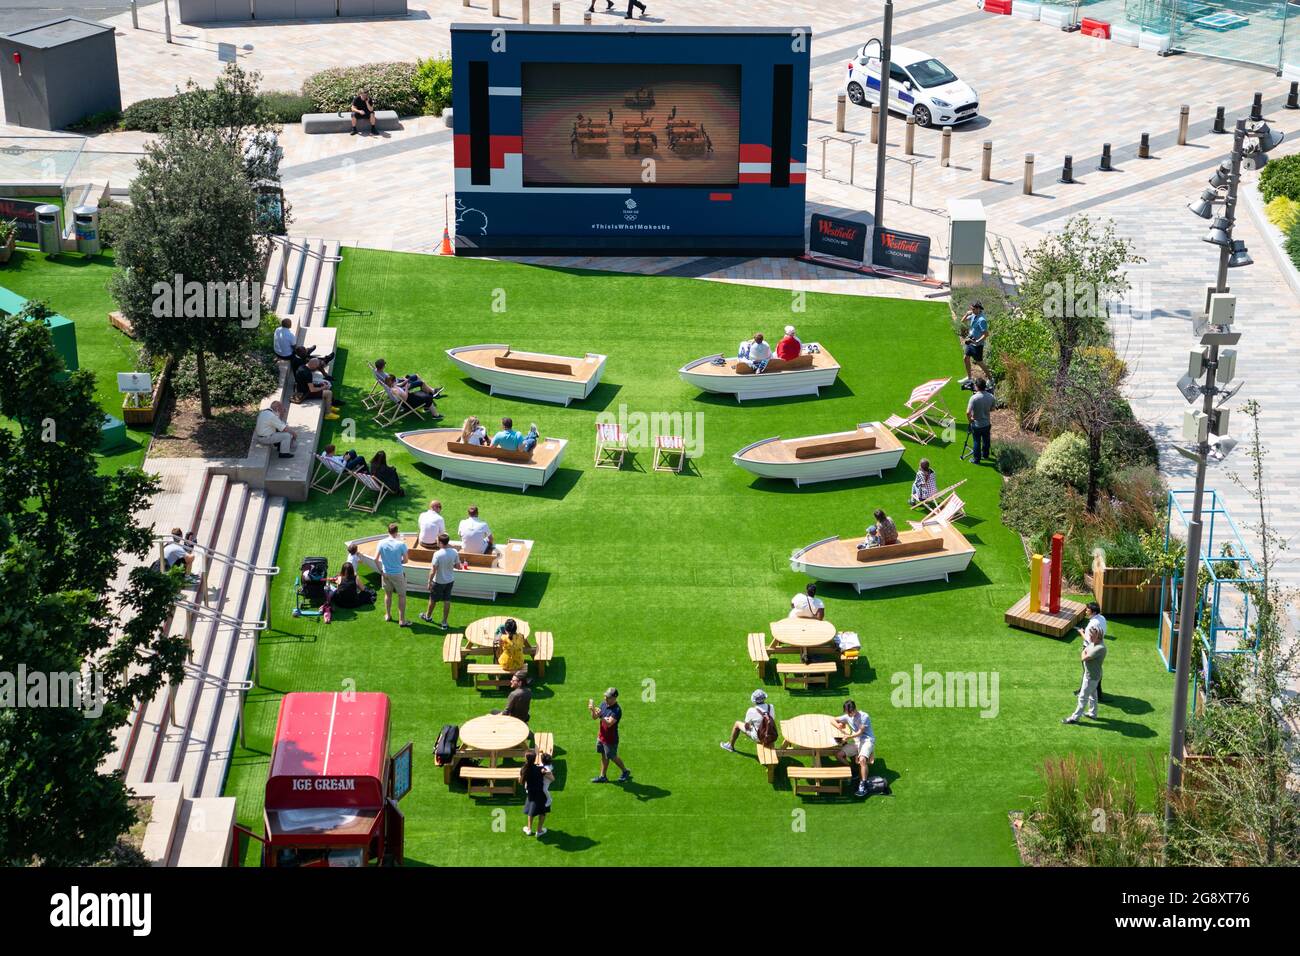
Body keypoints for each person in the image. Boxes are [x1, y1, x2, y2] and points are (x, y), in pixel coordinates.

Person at [1063, 613, 1107, 724]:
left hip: (1091, 676)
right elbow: (1088, 647)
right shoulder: (1095, 643)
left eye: (1092, 635)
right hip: (1094, 675)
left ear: (1098, 636)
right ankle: (1093, 713)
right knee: (1093, 695)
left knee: (1083, 697)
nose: (1090, 637)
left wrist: (1083, 652)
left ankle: (1075, 718)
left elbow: (1084, 658)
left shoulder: (1099, 648)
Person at [833, 699, 876, 797]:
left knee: (862, 760)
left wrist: (848, 737)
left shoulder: (864, 716)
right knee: (839, 755)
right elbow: (833, 719)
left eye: (850, 712)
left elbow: (860, 732)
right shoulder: (847, 716)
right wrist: (839, 725)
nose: (848, 715)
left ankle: (863, 784)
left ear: (854, 709)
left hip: (867, 741)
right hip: (856, 742)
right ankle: (853, 771)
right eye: (847, 713)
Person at [589, 688, 631, 783]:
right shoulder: (603, 704)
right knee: (603, 755)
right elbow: (595, 717)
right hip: (601, 736)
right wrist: (592, 710)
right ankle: (602, 776)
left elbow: (609, 723)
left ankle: (625, 771)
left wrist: (600, 716)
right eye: (605, 696)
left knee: (612, 756)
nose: (605, 698)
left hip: (610, 739)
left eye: (608, 697)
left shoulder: (617, 710)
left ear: (614, 698)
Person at [420, 532, 458, 629]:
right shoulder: (454, 552)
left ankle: (427, 616)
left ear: (441, 542)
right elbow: (458, 566)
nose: (436, 541)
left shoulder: (437, 554)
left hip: (438, 582)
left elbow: (433, 570)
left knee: (432, 600)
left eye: (437, 540)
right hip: (450, 581)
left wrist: (429, 581)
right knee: (447, 600)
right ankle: (444, 622)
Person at [375, 522, 410, 626]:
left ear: (388, 531)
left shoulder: (381, 543)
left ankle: (388, 615)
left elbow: (376, 560)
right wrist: (399, 562)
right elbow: (406, 560)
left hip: (385, 574)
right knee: (402, 596)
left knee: (388, 594)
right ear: (397, 532)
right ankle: (402, 620)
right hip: (398, 574)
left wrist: (381, 571)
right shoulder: (401, 544)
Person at [1072, 601, 1107, 702]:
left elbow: (1087, 639)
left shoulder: (1092, 623)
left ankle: (1082, 692)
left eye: (1088, 610)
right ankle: (1098, 693)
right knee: (1097, 671)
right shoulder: (1102, 618)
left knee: (1087, 672)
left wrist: (1081, 632)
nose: (1086, 611)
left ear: (1094, 612)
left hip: (1089, 649)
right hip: (1099, 647)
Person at [520, 749, 554, 837]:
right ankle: (539, 831)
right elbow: (552, 778)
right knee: (542, 812)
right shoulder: (540, 769)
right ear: (535, 759)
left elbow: (521, 780)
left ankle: (529, 829)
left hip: (531, 794)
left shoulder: (524, 769)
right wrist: (548, 772)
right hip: (540, 794)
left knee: (531, 811)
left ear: (526, 759)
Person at [960, 301, 992, 388]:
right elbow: (962, 321)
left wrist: (977, 341)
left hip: (977, 344)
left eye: (973, 309)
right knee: (965, 358)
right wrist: (967, 314)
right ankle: (969, 378)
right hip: (971, 341)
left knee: (979, 362)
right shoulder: (974, 315)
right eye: (971, 309)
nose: (972, 310)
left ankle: (990, 379)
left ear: (978, 309)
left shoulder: (982, 320)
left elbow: (986, 334)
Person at [966, 378, 994, 466]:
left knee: (976, 441)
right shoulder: (991, 396)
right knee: (986, 440)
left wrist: (970, 420)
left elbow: (968, 412)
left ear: (977, 387)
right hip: (986, 423)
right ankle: (985, 455)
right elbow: (992, 409)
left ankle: (976, 459)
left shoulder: (973, 398)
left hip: (976, 424)